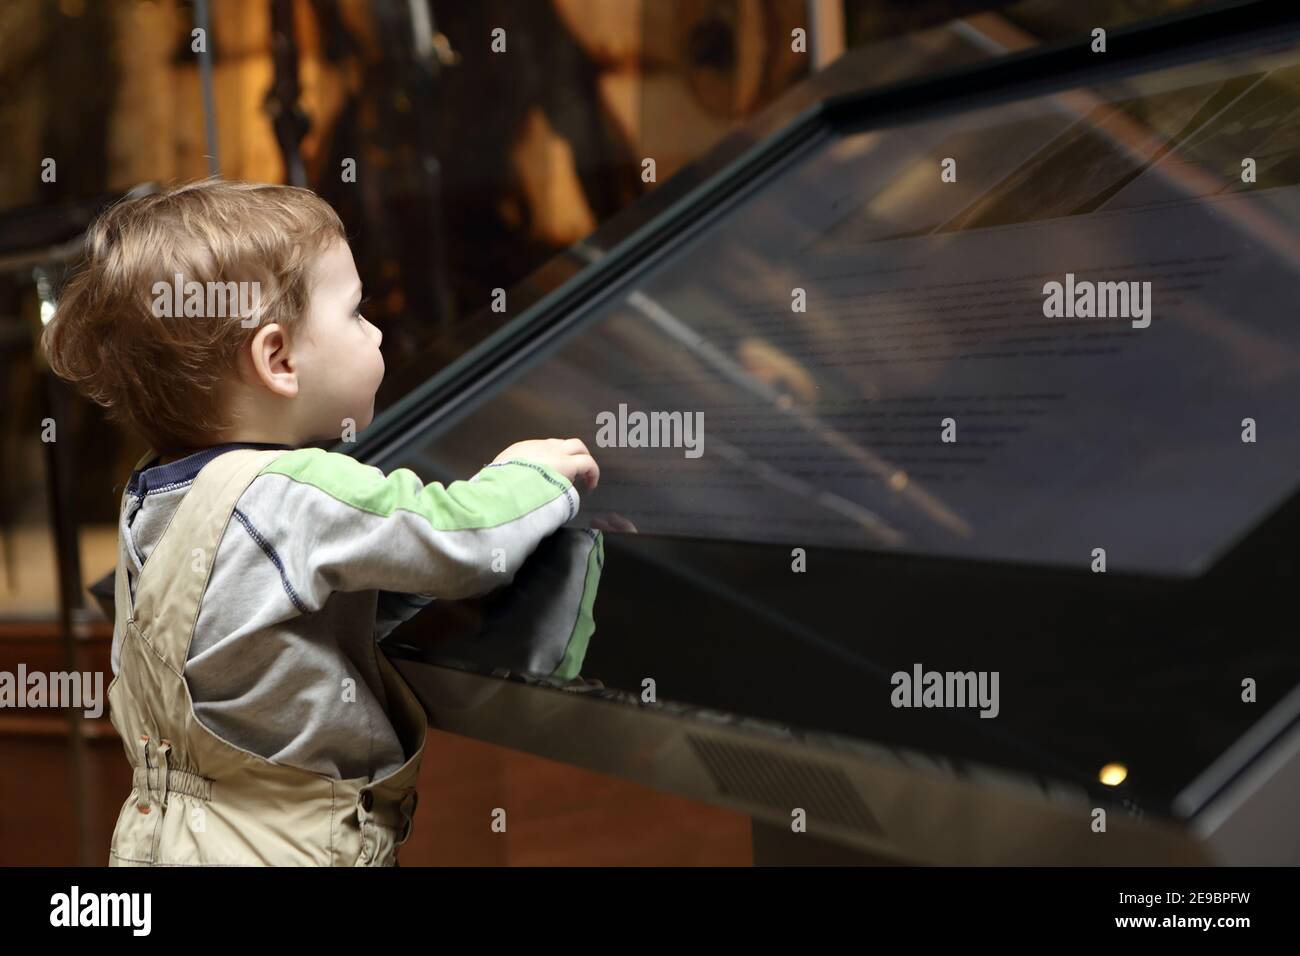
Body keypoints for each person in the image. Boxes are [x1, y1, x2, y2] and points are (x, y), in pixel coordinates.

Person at [41, 178, 599, 866]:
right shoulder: (298, 493)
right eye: (358, 313)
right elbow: (460, 539)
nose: (378, 331)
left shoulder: (155, 494)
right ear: (278, 359)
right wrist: (533, 475)